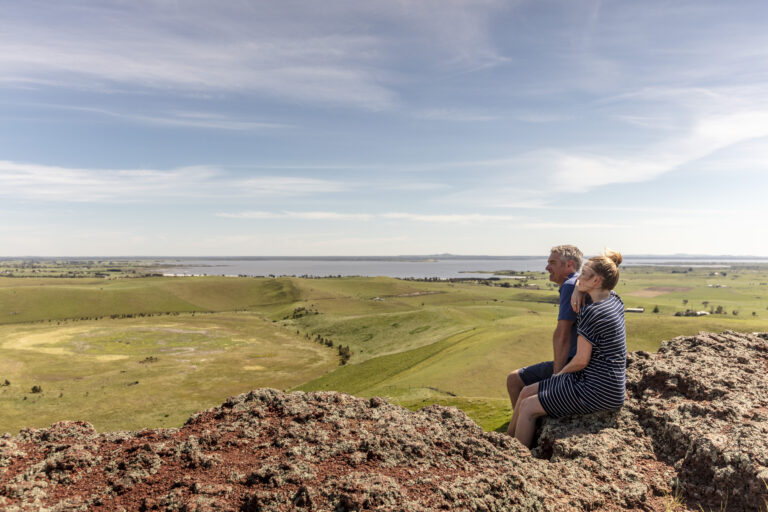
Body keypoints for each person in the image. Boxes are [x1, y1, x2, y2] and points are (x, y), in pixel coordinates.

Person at [510, 250, 627, 448]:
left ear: (597, 280)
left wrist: (559, 375)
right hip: (609, 384)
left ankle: (517, 458)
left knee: (528, 406)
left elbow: (581, 360)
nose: (577, 278)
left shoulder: (591, 313)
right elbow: (600, 286)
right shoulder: (614, 300)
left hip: (596, 389)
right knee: (525, 392)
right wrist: (579, 289)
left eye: (583, 274)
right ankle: (506, 442)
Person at [505, 245, 583, 436]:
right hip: (577, 362)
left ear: (569, 265)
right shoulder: (577, 284)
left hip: (571, 363)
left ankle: (518, 435)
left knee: (514, 380)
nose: (547, 267)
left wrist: (557, 379)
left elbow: (562, 335)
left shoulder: (569, 286)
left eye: (552, 263)